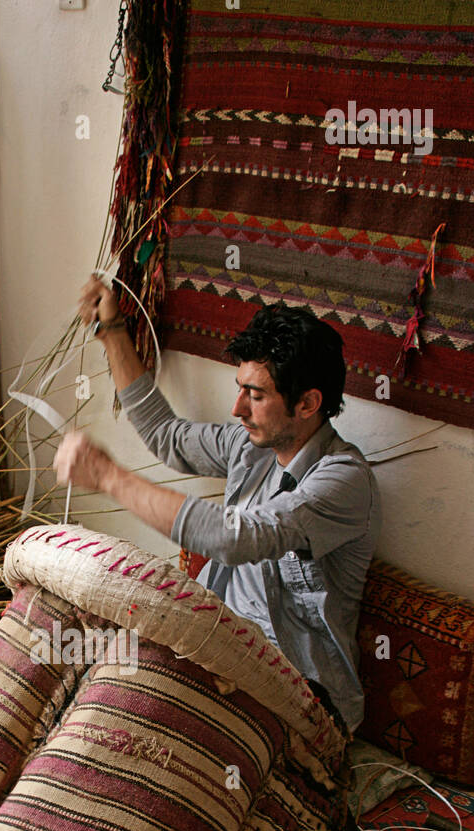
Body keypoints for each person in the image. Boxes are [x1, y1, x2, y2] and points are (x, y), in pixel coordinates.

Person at [53, 276, 382, 732]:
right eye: (240, 387)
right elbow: (167, 437)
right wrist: (112, 330)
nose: (237, 409)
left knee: (129, 720)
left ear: (308, 403)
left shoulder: (344, 480)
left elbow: (235, 538)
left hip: (300, 691)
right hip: (215, 649)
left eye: (257, 395)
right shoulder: (251, 446)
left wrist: (110, 477)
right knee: (64, 652)